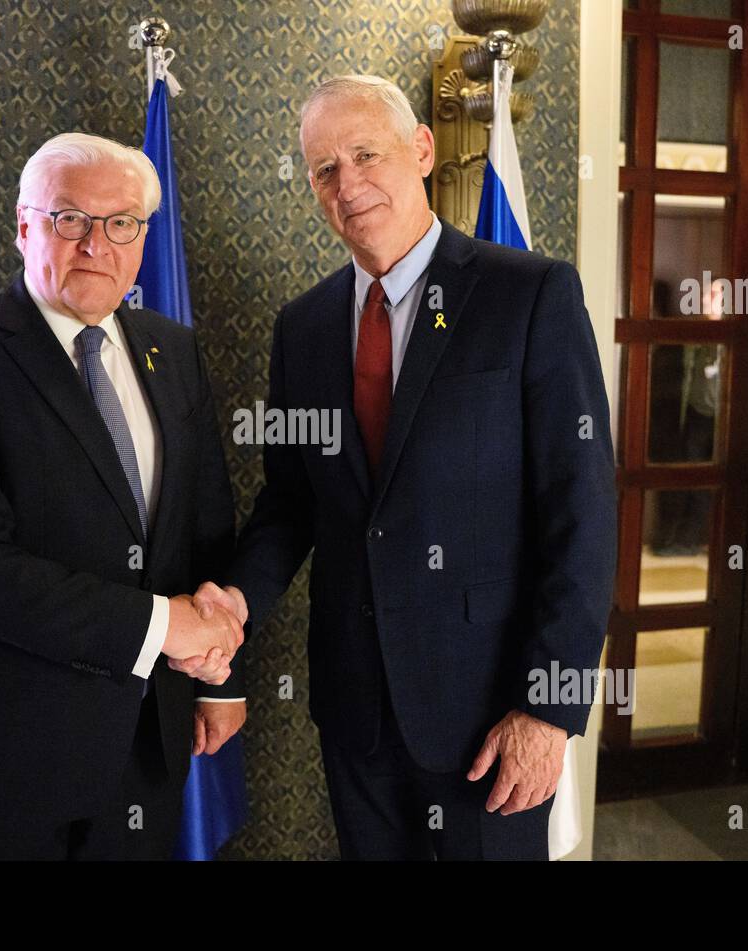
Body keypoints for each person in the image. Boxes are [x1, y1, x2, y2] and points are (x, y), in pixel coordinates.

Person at [190, 75, 617, 860]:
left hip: (491, 719)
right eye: (325, 169)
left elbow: (582, 516)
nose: (348, 185)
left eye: (365, 154)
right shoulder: (305, 327)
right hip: (357, 714)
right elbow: (290, 505)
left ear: (421, 150)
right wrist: (233, 602)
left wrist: (547, 707)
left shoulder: (530, 295)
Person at [0, 132, 246, 860]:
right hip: (0, 767)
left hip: (145, 750)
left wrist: (215, 673)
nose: (96, 244)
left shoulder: (171, 349)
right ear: (24, 227)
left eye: (120, 223)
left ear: (142, 238)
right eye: (69, 219)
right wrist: (164, 627)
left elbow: (203, 527)